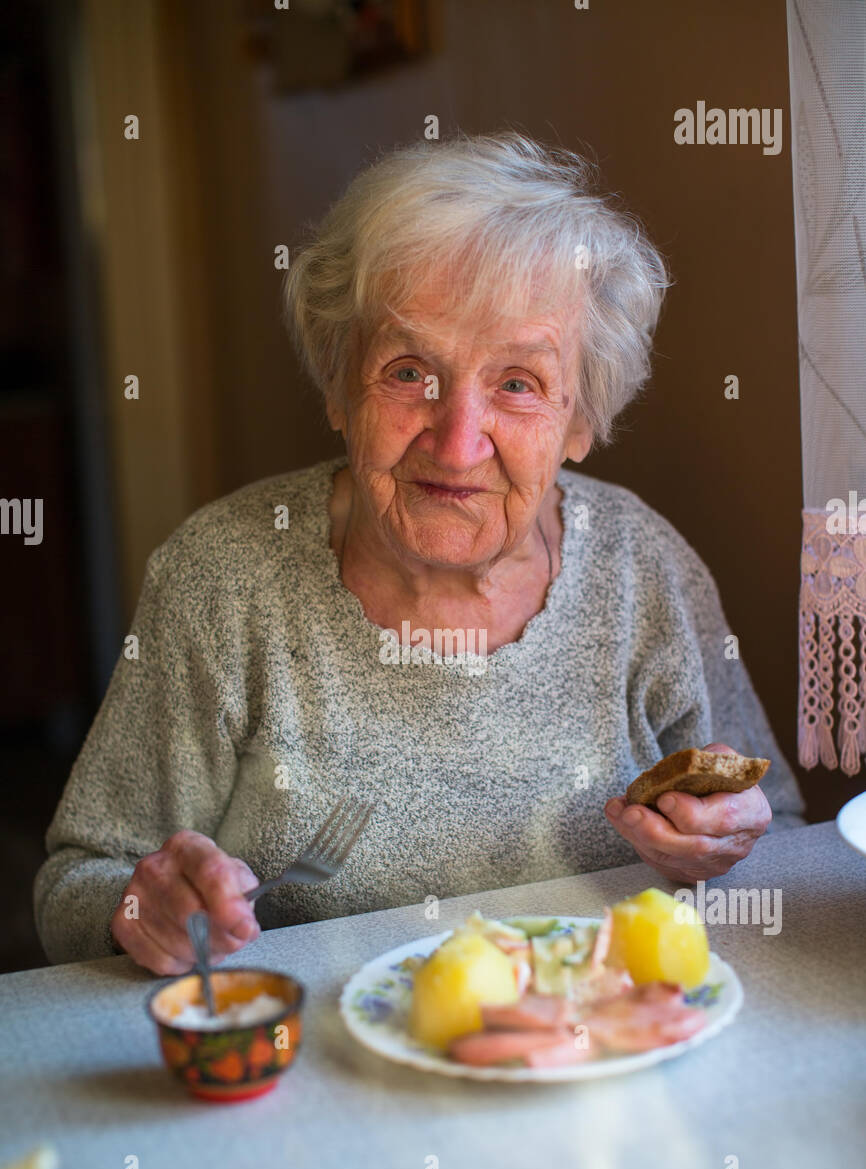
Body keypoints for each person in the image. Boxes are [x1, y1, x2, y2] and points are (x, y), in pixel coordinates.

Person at [34, 132, 805, 971]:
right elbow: (78, 881)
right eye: (409, 372)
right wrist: (145, 908)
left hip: (588, 1052)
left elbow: (781, 835)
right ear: (337, 384)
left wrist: (721, 855)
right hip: (323, 1066)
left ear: (581, 421)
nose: (457, 439)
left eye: (517, 383)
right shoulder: (224, 576)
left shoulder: (643, 568)